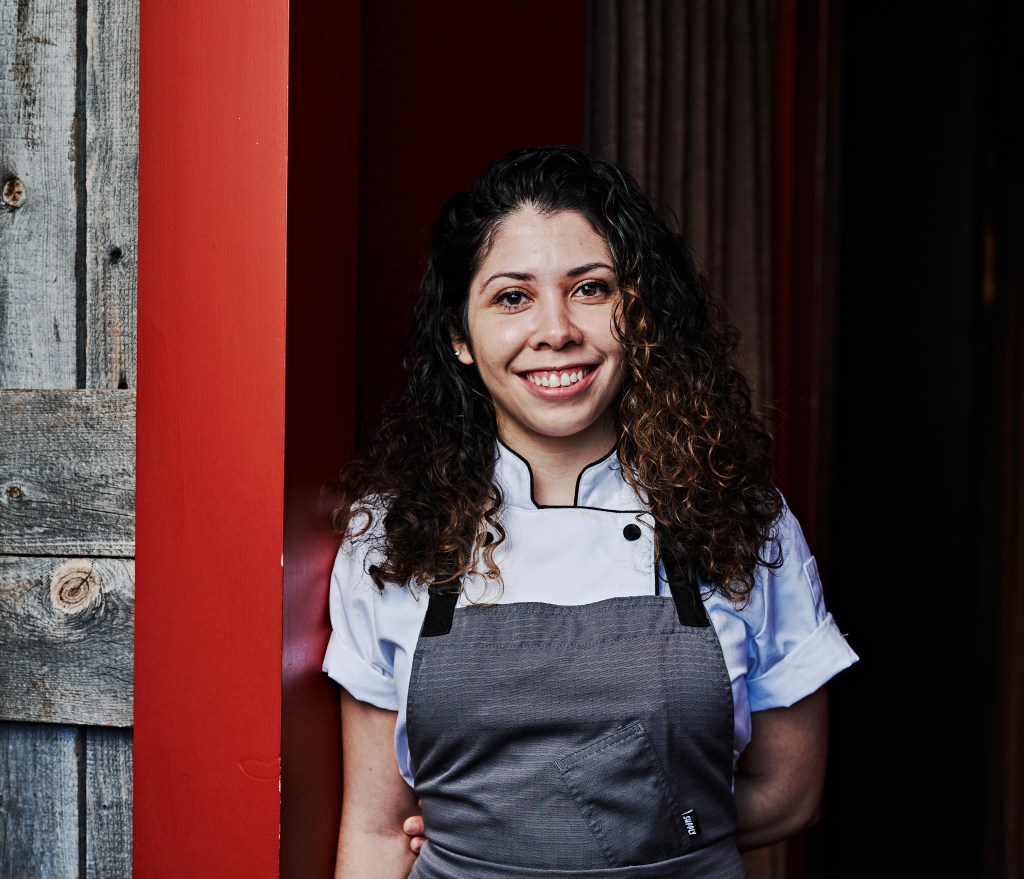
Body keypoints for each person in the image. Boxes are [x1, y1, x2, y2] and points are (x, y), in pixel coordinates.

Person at [323, 145, 859, 879]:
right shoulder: (394, 535)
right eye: (513, 297)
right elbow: (378, 830)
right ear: (460, 336)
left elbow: (790, 792)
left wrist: (587, 838)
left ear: (640, 313)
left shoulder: (744, 520)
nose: (556, 330)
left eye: (591, 288)